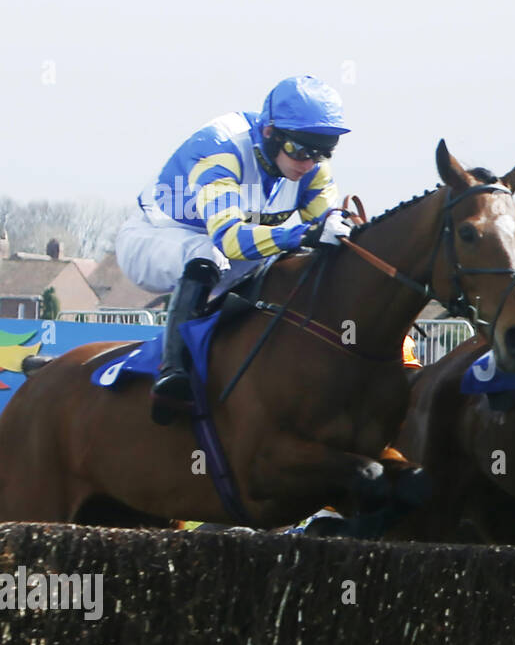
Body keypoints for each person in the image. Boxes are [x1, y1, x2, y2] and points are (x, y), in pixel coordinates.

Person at [116, 75, 352, 423]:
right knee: (206, 254)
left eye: (322, 152)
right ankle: (173, 371)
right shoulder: (221, 148)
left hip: (226, 252)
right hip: (155, 240)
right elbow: (229, 240)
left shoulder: (312, 167)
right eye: (300, 150)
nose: (308, 163)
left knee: (296, 262)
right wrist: (301, 235)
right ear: (270, 132)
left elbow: (327, 232)